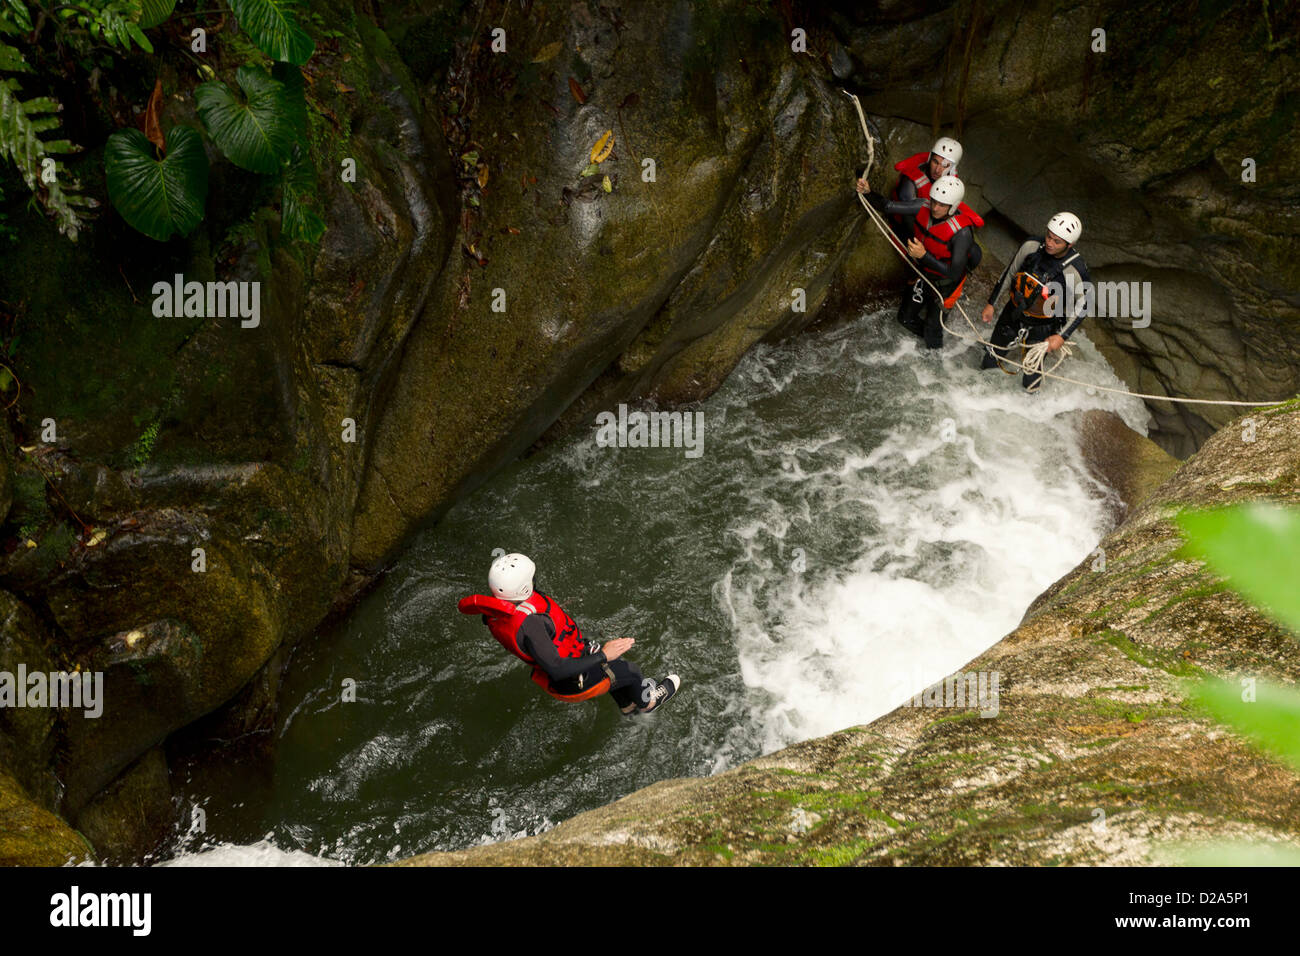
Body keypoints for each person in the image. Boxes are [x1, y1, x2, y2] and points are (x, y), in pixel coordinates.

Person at [458, 553, 681, 715]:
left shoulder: (495, 612)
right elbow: (558, 669)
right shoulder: (531, 625)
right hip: (570, 682)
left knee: (613, 666)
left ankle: (627, 706)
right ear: (524, 588)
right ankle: (647, 703)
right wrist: (603, 655)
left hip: (561, 667)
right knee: (630, 670)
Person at [856, 172, 984, 349]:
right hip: (925, 274)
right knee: (905, 318)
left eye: (941, 205)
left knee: (933, 333)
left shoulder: (962, 233)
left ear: (952, 206)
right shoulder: (923, 206)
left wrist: (924, 256)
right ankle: (928, 334)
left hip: (947, 284)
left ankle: (934, 345)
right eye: (933, 201)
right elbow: (888, 206)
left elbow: (954, 273)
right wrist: (869, 192)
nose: (935, 208)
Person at [979, 212, 1089, 390]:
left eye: (1057, 241)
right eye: (1049, 237)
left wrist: (1061, 336)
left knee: (1030, 380)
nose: (1050, 244)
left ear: (1070, 244)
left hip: (1043, 326)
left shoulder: (1076, 270)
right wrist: (991, 303)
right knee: (990, 360)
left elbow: (1084, 304)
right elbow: (1010, 272)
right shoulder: (1031, 246)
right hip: (1014, 313)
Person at [885, 136, 963, 245]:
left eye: (945, 166)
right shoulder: (910, 181)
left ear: (952, 168)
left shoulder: (952, 180)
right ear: (930, 158)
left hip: (932, 219)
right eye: (935, 162)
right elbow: (907, 213)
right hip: (908, 224)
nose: (938, 170)